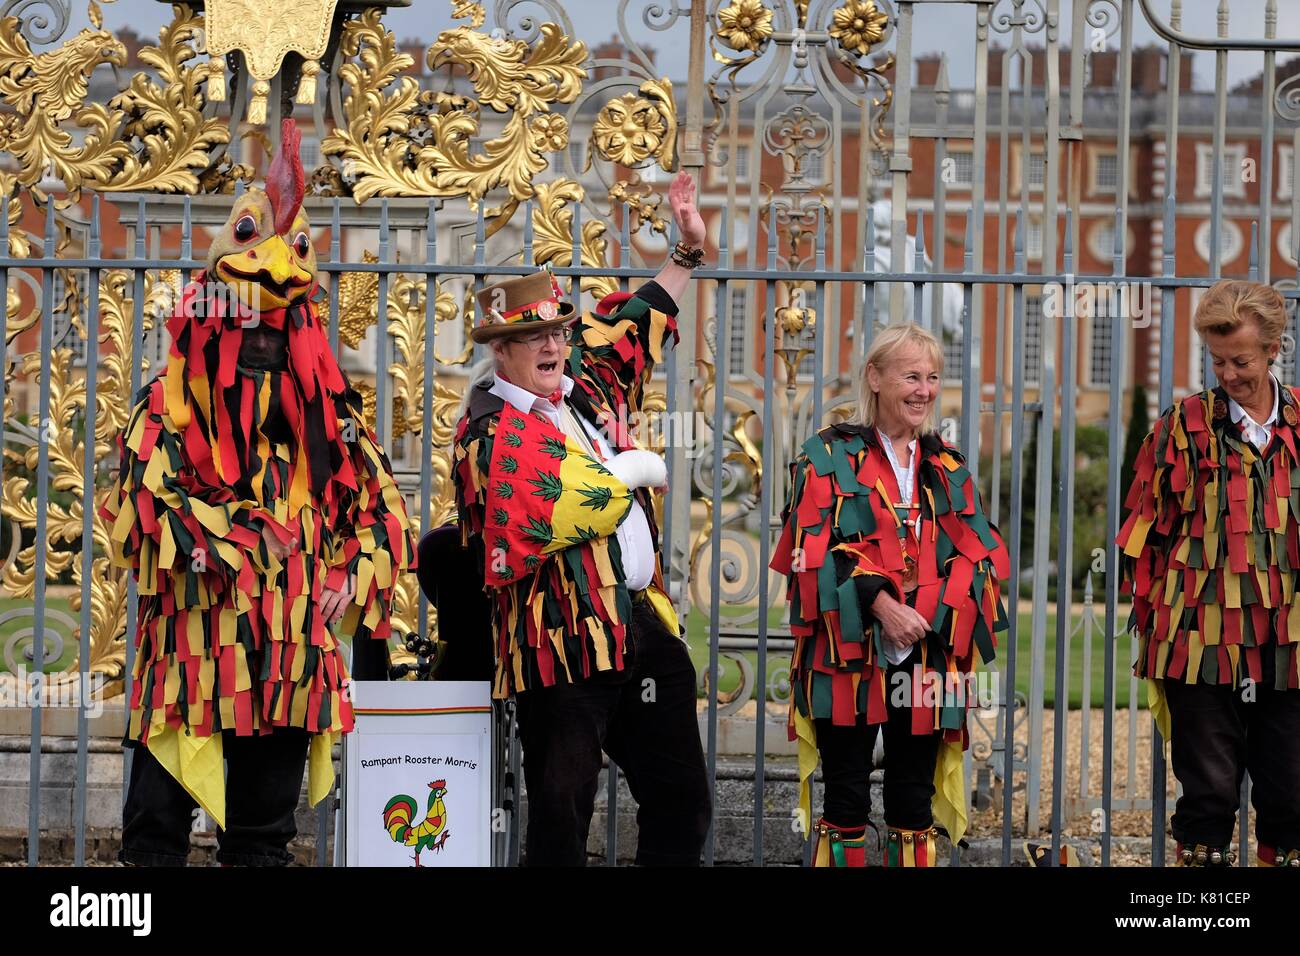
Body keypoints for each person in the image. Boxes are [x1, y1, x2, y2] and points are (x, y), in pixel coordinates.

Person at [100, 121, 415, 865]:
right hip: (189, 658)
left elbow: (383, 517)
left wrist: (348, 571)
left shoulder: (330, 419)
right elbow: (144, 516)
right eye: (249, 329)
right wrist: (240, 536)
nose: (265, 345)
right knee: (153, 834)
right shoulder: (166, 407)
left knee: (263, 842)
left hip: (290, 660)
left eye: (281, 330)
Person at [450, 170, 711, 866]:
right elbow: (551, 508)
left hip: (639, 621)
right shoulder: (485, 430)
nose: (551, 345)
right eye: (533, 335)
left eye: (559, 330)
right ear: (499, 348)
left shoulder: (586, 382)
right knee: (564, 814)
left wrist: (685, 252)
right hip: (558, 638)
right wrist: (632, 472)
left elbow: (636, 322)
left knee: (681, 794)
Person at [771, 322, 1008, 866]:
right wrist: (882, 604)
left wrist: (925, 611)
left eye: (932, 377)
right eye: (910, 376)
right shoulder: (826, 455)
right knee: (847, 795)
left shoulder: (948, 465)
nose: (924, 389)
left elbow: (976, 553)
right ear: (874, 378)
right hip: (844, 650)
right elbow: (814, 551)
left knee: (912, 798)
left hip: (926, 650)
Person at [1119, 278, 1300, 867]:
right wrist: (1154, 616)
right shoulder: (1180, 427)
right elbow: (1144, 531)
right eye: (1218, 361)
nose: (1228, 374)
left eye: (1241, 360)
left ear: (1273, 349)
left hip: (1292, 638)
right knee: (1207, 797)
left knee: (1294, 794)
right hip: (1195, 633)